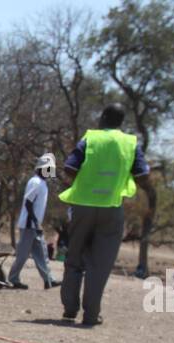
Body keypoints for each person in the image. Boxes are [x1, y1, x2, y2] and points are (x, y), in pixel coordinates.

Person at [57, 103, 151, 326]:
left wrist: (86, 180)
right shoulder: (130, 143)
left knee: (74, 258)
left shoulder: (91, 139)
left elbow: (69, 168)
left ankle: (70, 309)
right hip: (111, 207)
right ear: (121, 121)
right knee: (100, 265)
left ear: (103, 117)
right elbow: (143, 176)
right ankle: (91, 315)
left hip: (82, 205)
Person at [8, 158, 56, 289]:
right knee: (23, 255)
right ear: (41, 168)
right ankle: (13, 279)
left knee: (42, 252)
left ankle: (48, 279)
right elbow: (28, 202)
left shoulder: (43, 183)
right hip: (29, 224)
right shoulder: (36, 182)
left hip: (35, 225)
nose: (50, 171)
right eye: (48, 169)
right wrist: (34, 220)